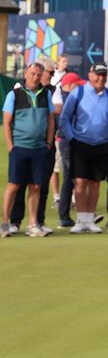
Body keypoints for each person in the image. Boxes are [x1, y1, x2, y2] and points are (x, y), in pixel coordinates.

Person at [59, 64, 108, 234]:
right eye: (97, 75)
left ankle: (90, 220)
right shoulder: (79, 92)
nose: (101, 78)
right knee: (80, 182)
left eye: (103, 75)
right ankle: (81, 219)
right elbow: (64, 117)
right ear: (90, 75)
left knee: (95, 183)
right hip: (80, 143)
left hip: (102, 144)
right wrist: (71, 137)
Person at [1, 62, 54, 237]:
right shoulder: (14, 95)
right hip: (20, 147)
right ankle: (4, 224)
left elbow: (51, 119)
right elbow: (7, 122)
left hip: (39, 148)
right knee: (14, 185)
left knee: (36, 186)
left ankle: (32, 224)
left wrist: (48, 142)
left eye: (39, 74)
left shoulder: (46, 94)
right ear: (26, 73)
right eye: (32, 73)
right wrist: (11, 146)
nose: (36, 77)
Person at [53, 72, 86, 228]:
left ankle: (64, 217)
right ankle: (85, 215)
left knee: (68, 180)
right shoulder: (66, 99)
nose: (80, 87)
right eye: (77, 85)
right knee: (77, 177)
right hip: (69, 142)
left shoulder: (67, 98)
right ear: (69, 85)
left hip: (68, 142)